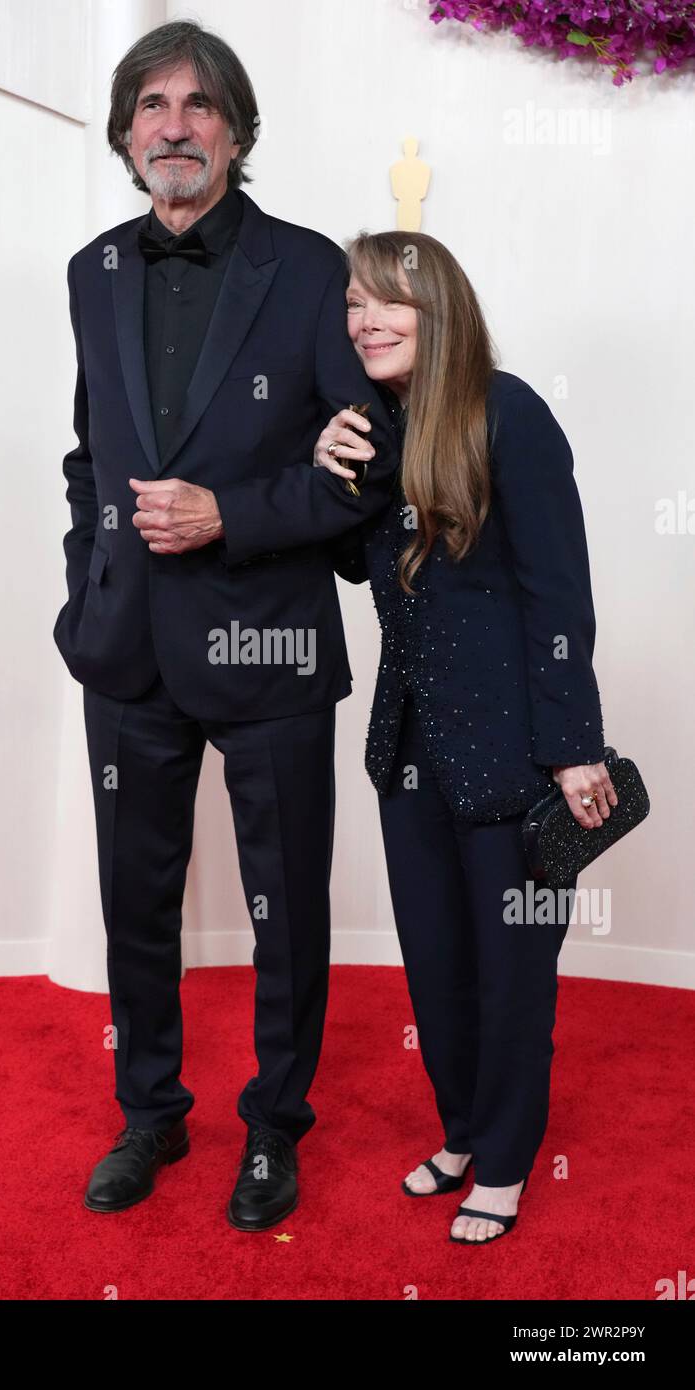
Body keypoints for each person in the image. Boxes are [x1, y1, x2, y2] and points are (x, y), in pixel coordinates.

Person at [52, 20, 400, 1231]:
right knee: (132, 900)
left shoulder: (311, 273)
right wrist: (84, 584)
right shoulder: (91, 270)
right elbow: (91, 455)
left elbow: (366, 470)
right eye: (150, 105)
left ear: (237, 131)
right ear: (124, 133)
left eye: (199, 105)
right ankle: (149, 1111)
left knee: (282, 907)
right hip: (125, 650)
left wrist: (227, 518)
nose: (174, 125)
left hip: (271, 642)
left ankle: (273, 1127)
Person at [317, 230, 616, 1244]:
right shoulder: (368, 424)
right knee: (435, 961)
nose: (365, 320)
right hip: (406, 748)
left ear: (436, 309)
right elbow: (361, 569)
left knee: (511, 971)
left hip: (515, 754)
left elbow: (556, 592)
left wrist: (573, 746)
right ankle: (460, 1131)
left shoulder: (508, 412)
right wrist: (333, 470)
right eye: (355, 302)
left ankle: (503, 1158)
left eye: (386, 301)